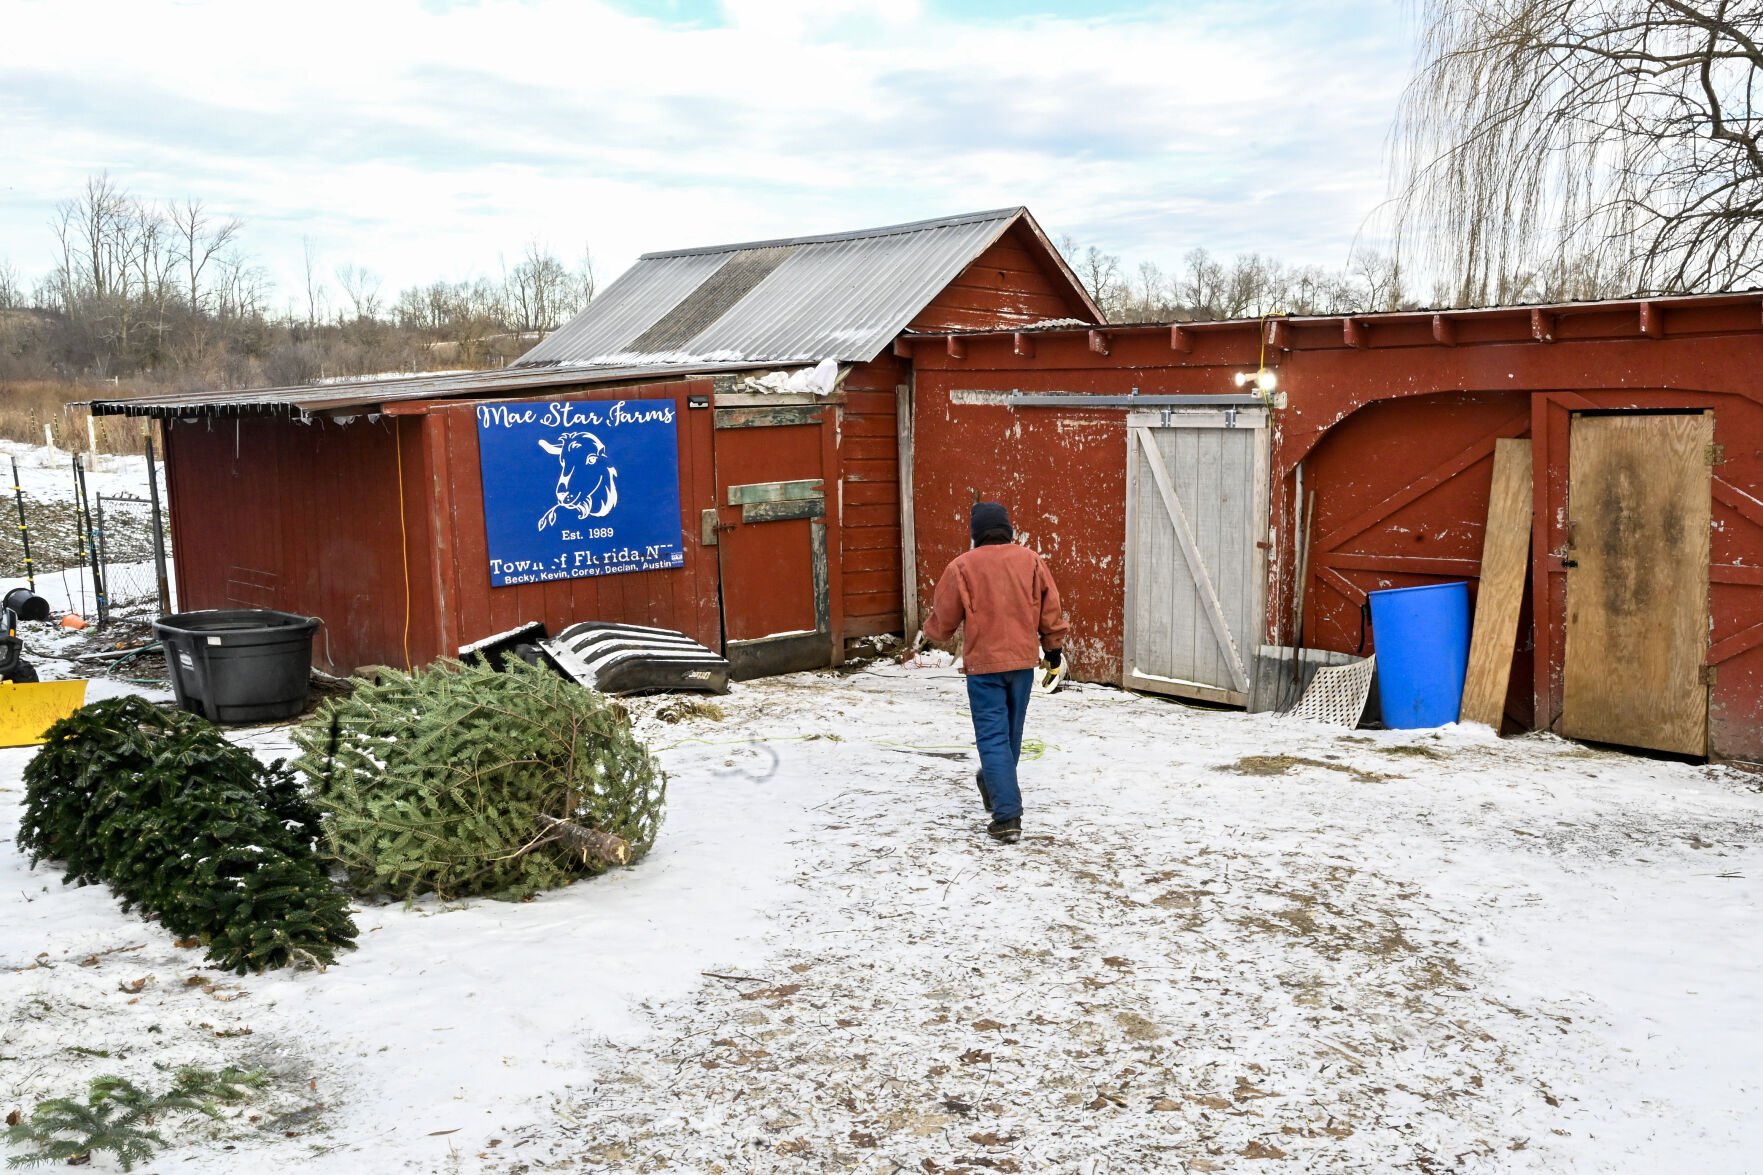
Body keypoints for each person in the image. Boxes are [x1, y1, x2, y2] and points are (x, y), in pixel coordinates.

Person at [920, 501, 1067, 844]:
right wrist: (1053, 649)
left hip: (984, 667)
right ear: (1007, 529)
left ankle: (1007, 817)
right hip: (1022, 664)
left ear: (976, 534)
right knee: (1010, 735)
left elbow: (942, 623)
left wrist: (932, 631)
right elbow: (1051, 609)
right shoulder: (1031, 561)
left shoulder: (961, 567)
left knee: (993, 738)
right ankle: (992, 782)